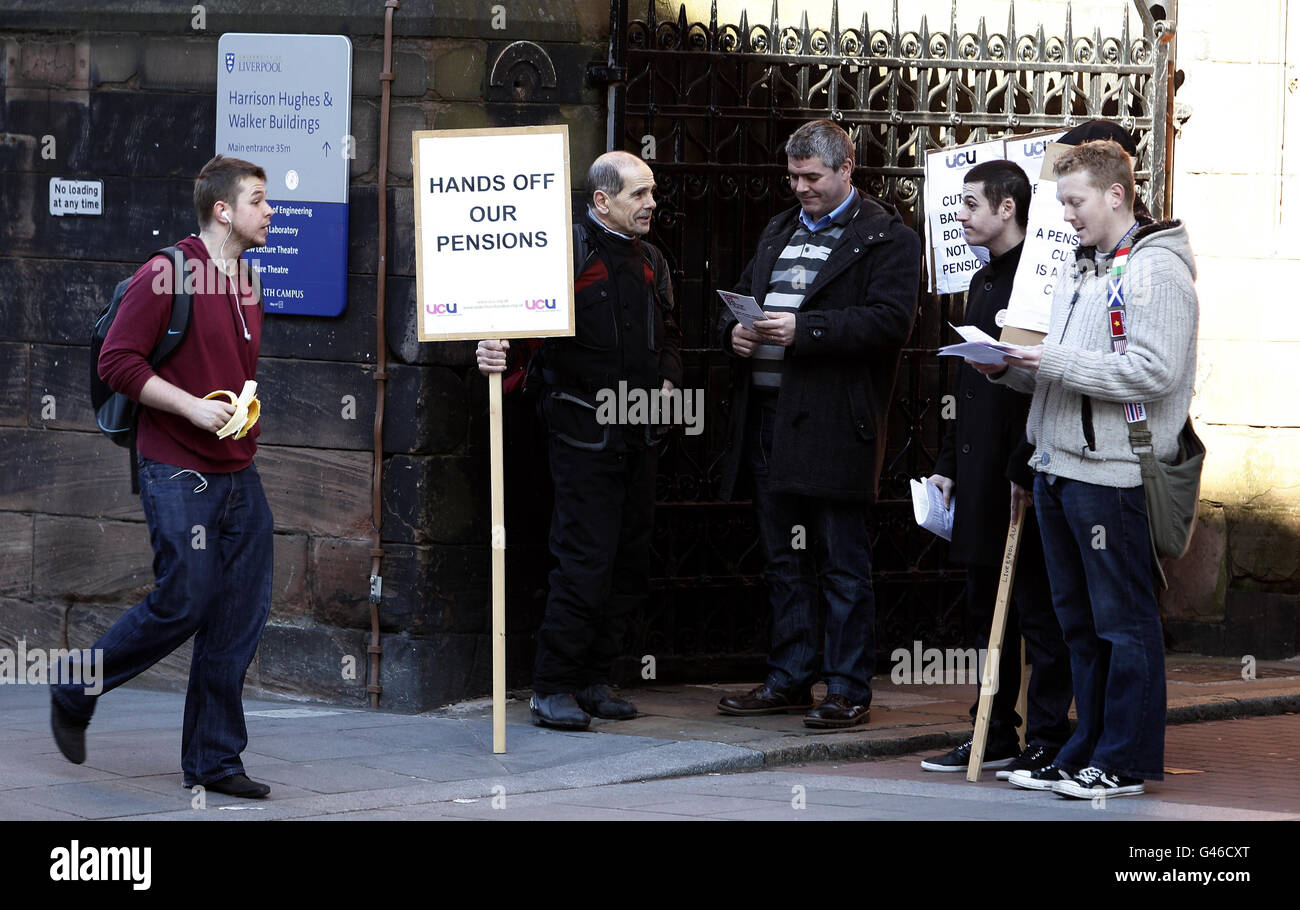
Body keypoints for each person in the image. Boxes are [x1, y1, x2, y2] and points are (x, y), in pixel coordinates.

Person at [971, 138, 1198, 798]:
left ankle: (1122, 761)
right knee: (1078, 624)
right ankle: (1086, 747)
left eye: (1074, 202)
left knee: (1123, 625)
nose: (1065, 216)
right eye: (1061, 203)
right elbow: (1063, 367)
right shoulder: (1083, 265)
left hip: (1112, 475)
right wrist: (1009, 368)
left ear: (1116, 195)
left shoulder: (1156, 274)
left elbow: (1155, 373)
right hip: (1059, 468)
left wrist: (1051, 364)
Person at [50, 155, 276, 799]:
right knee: (185, 598)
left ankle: (213, 759)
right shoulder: (166, 273)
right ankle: (76, 684)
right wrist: (193, 409)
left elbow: (228, 368)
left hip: (239, 469)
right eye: (259, 200)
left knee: (240, 612)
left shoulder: (251, 281)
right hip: (176, 468)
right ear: (222, 210)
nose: (271, 211)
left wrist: (238, 412)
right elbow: (119, 361)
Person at [714, 120, 921, 728]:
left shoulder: (888, 238)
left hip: (835, 422)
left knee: (840, 562)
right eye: (794, 177)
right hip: (769, 418)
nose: (799, 187)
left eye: (812, 177)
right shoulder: (778, 229)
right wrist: (737, 335)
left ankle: (848, 686)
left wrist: (808, 330)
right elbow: (750, 298)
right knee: (783, 559)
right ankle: (788, 677)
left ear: (846, 170)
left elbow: (890, 324)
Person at [476, 151, 682, 731]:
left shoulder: (654, 263)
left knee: (627, 563)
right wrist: (492, 353)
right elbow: (513, 327)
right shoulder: (563, 254)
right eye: (639, 194)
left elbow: (671, 333)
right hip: (578, 431)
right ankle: (553, 686)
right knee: (584, 561)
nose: (651, 204)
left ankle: (594, 678)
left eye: (652, 192)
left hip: (639, 433)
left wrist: (669, 377)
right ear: (602, 200)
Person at [917, 160, 1073, 775]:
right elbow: (970, 380)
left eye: (973, 205)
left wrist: (1022, 465)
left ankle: (1051, 735)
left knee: (1037, 606)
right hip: (978, 468)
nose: (962, 216)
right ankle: (995, 730)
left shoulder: (1037, 282)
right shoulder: (981, 281)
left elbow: (1035, 385)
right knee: (987, 607)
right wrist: (948, 461)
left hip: (1023, 465)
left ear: (1008, 207)